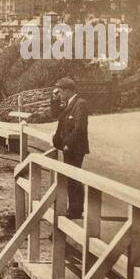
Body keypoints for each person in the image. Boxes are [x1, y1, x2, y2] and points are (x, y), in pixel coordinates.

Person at [52, 77, 90, 219]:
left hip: (75, 147)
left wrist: (67, 143)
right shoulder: (69, 103)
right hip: (69, 147)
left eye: (61, 91)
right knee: (71, 177)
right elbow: (56, 116)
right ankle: (74, 208)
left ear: (68, 90)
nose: (59, 94)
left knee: (74, 177)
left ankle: (75, 209)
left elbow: (80, 128)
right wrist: (54, 100)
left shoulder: (80, 104)